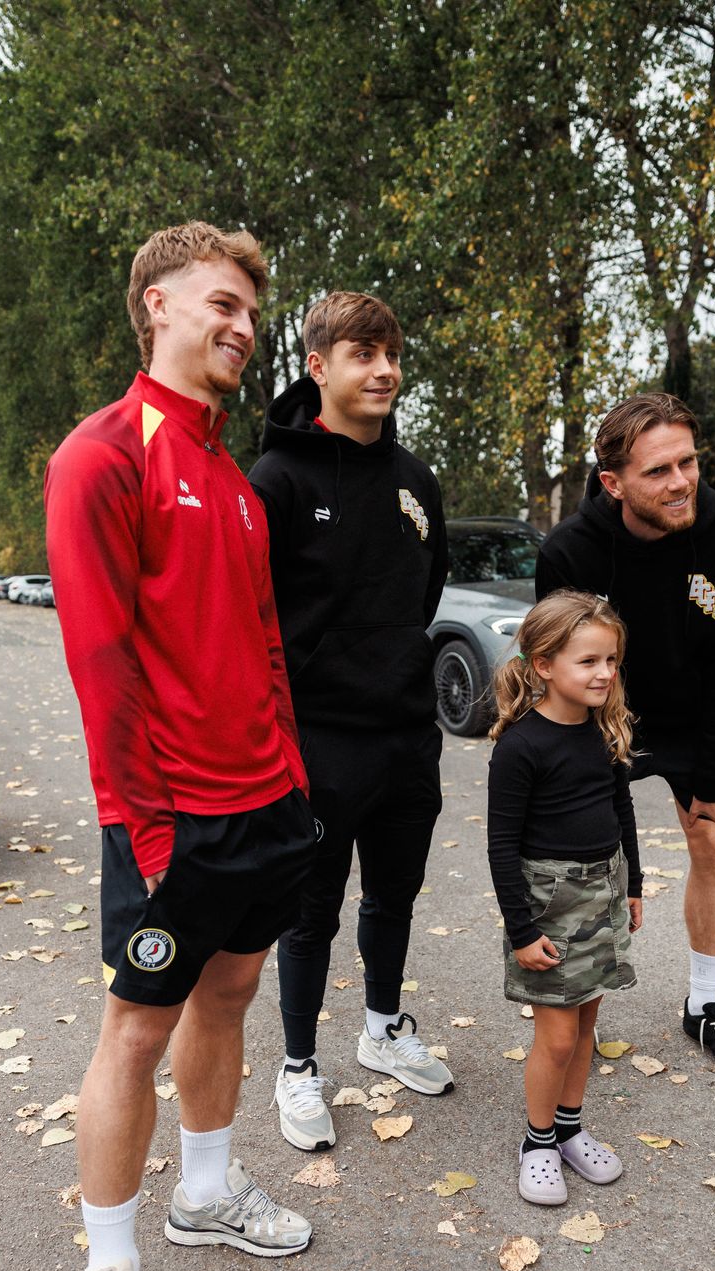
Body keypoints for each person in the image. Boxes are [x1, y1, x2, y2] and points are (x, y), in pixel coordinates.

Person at [45, 221, 317, 1271]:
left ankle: (205, 1191)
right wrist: (146, 833)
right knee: (136, 1035)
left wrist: (294, 778)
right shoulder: (101, 457)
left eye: (253, 312)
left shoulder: (234, 475)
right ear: (155, 305)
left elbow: (260, 648)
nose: (242, 328)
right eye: (221, 303)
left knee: (234, 992)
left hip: (269, 808)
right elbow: (101, 665)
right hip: (170, 825)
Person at [248, 291, 452, 1153]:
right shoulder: (279, 479)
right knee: (311, 912)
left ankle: (382, 1027)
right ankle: (299, 1066)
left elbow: (425, 590)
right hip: (319, 742)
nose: (384, 370)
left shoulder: (416, 481)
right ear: (318, 366)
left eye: (392, 353)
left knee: (395, 896)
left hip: (406, 736)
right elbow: (253, 614)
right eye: (364, 353)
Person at [535, 392, 715, 1079]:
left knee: (712, 837)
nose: (680, 482)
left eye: (687, 462)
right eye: (658, 471)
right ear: (613, 484)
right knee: (585, 858)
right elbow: (564, 679)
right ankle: (572, 1009)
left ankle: (705, 1005)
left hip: (693, 713)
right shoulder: (570, 552)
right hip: (604, 712)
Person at [487, 592, 642, 1205]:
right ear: (544, 664)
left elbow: (621, 809)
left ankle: (571, 1130)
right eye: (588, 662)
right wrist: (522, 931)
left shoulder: (605, 731)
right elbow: (501, 847)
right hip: (548, 905)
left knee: (585, 1025)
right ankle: (538, 1142)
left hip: (603, 892)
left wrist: (633, 885)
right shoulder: (520, 746)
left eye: (611, 660)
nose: (604, 673)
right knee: (554, 1037)